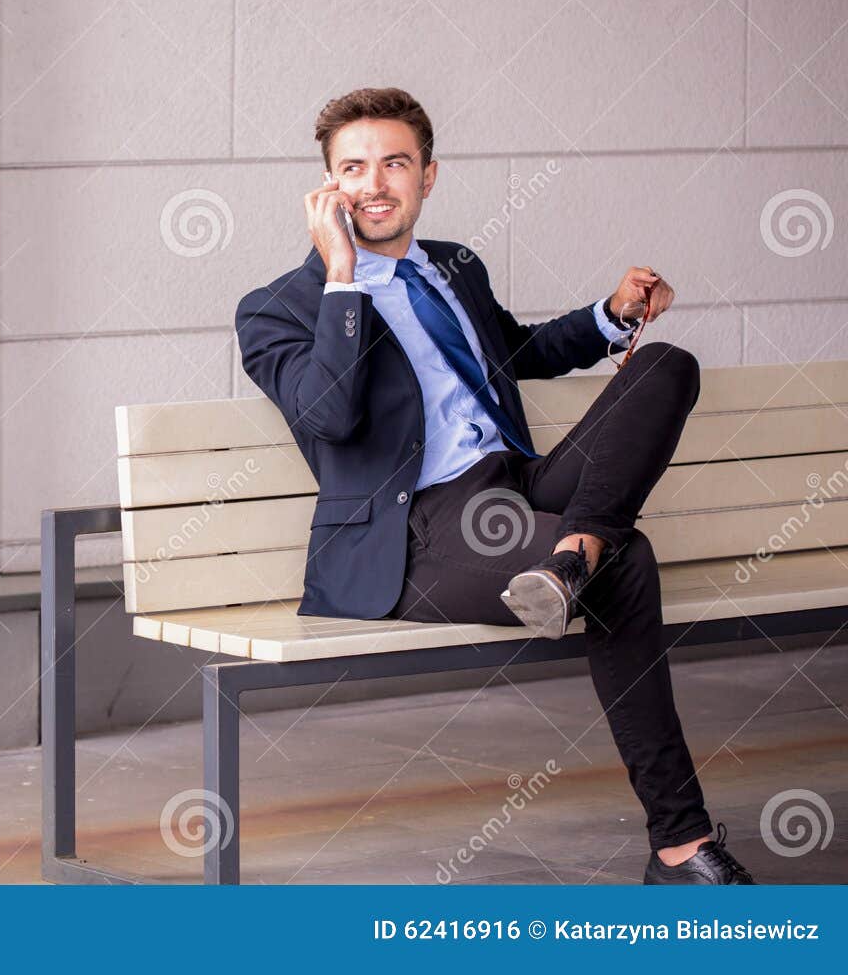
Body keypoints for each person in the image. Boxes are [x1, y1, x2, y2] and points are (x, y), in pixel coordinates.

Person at [234, 87, 754, 885]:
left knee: (665, 363)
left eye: (395, 163)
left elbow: (518, 351)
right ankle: (681, 845)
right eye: (354, 167)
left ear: (428, 175)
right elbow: (329, 417)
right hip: (422, 529)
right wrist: (344, 279)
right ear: (327, 186)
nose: (375, 183)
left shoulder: (454, 266)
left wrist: (611, 314)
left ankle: (574, 552)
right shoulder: (279, 308)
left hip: (522, 484)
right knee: (632, 561)